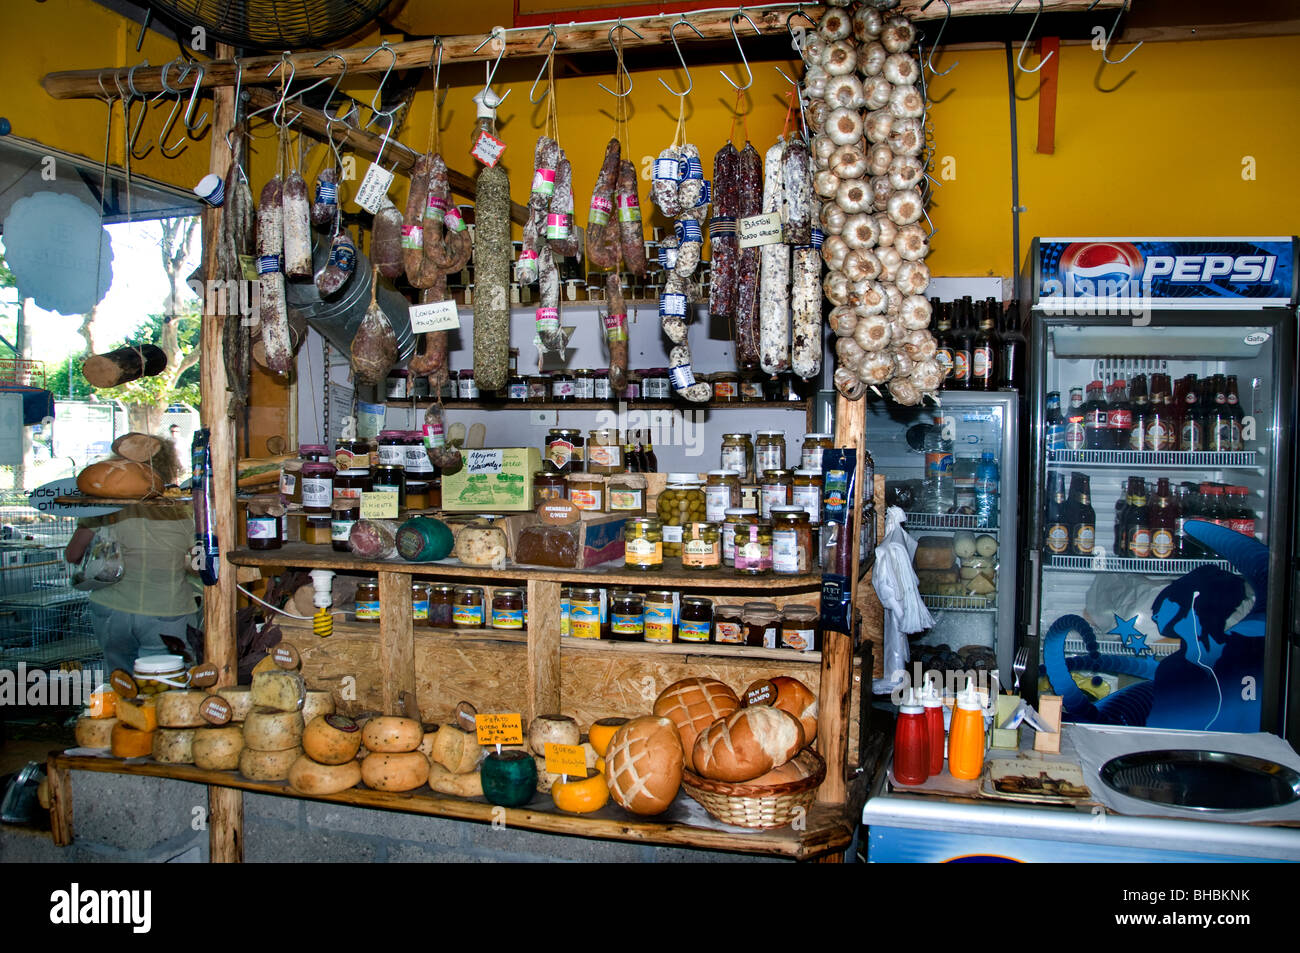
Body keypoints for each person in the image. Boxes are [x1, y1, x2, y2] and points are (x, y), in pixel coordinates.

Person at [64, 438, 202, 676]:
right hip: (167, 611)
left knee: (121, 685)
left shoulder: (104, 505)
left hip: (110, 609)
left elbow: (73, 554)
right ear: (168, 464)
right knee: (166, 685)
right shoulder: (182, 507)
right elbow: (201, 567)